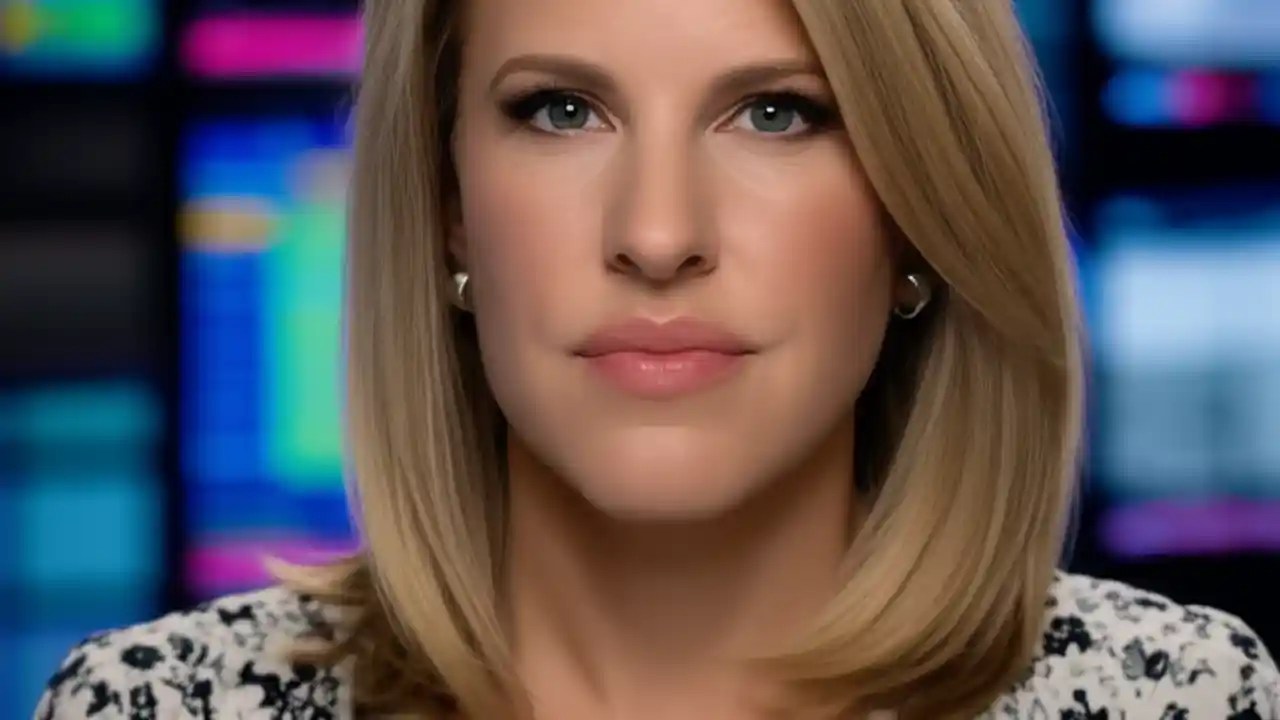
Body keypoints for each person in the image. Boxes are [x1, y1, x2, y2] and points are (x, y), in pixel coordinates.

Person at [34, 0, 1280, 718]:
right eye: (559, 112)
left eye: (776, 113)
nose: (657, 236)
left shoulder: (1169, 697)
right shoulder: (156, 704)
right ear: (449, 206)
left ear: (917, 213)